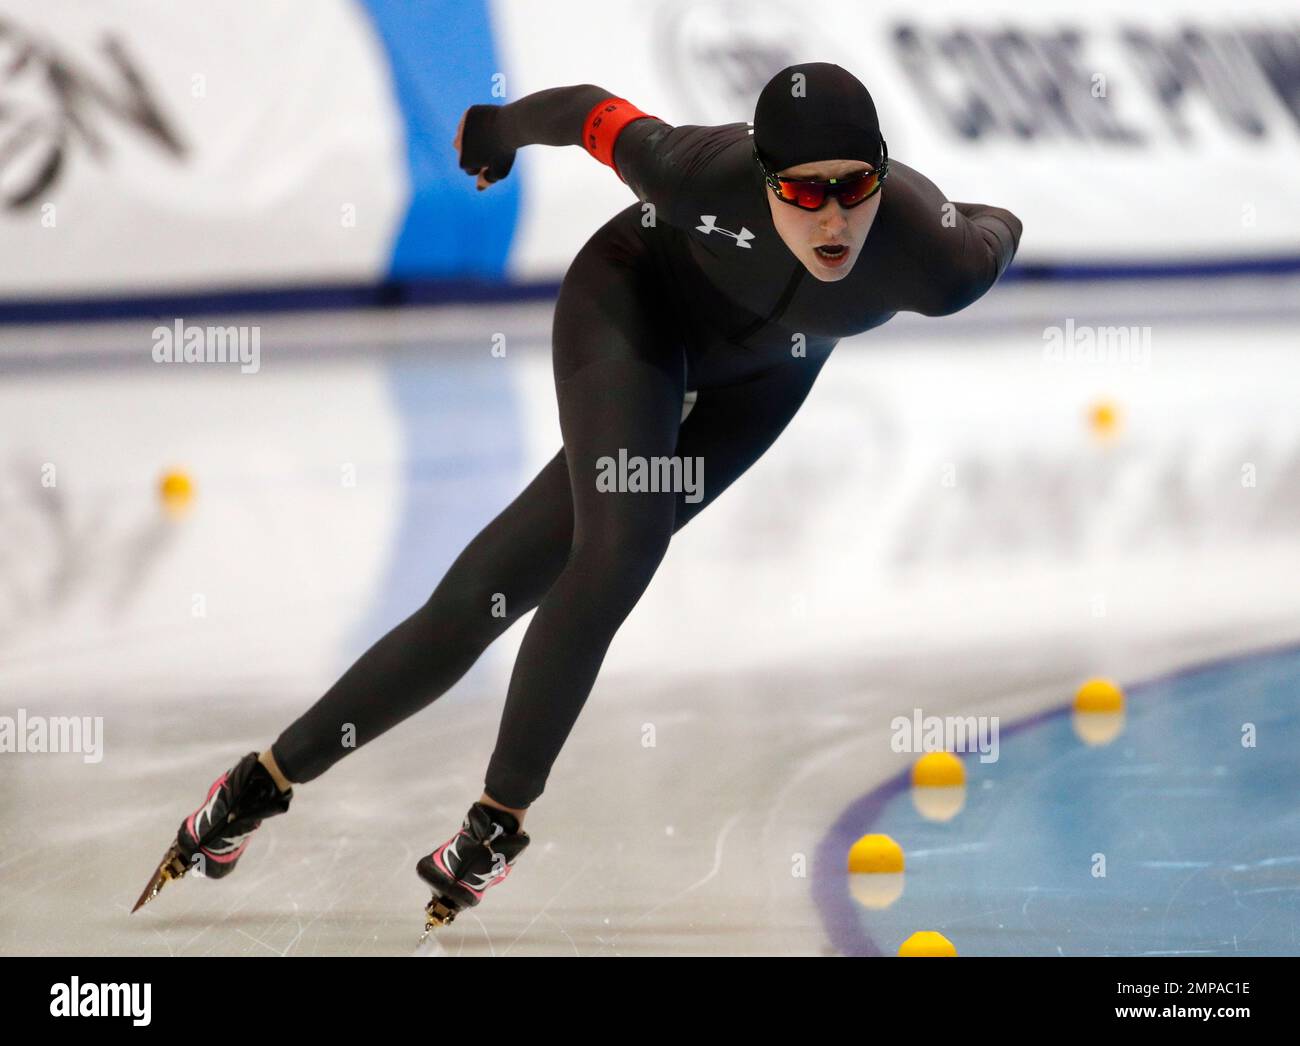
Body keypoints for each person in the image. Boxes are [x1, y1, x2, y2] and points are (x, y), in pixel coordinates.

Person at [137, 63, 1022, 931]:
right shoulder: (695, 172)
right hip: (634, 305)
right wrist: (495, 130)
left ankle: (259, 783)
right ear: (761, 179)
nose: (832, 218)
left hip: (765, 377)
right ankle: (499, 821)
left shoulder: (938, 262)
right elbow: (589, 111)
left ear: (882, 168)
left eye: (854, 187)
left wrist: (953, 214)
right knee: (620, 545)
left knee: (500, 584)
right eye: (801, 193)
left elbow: (999, 224)